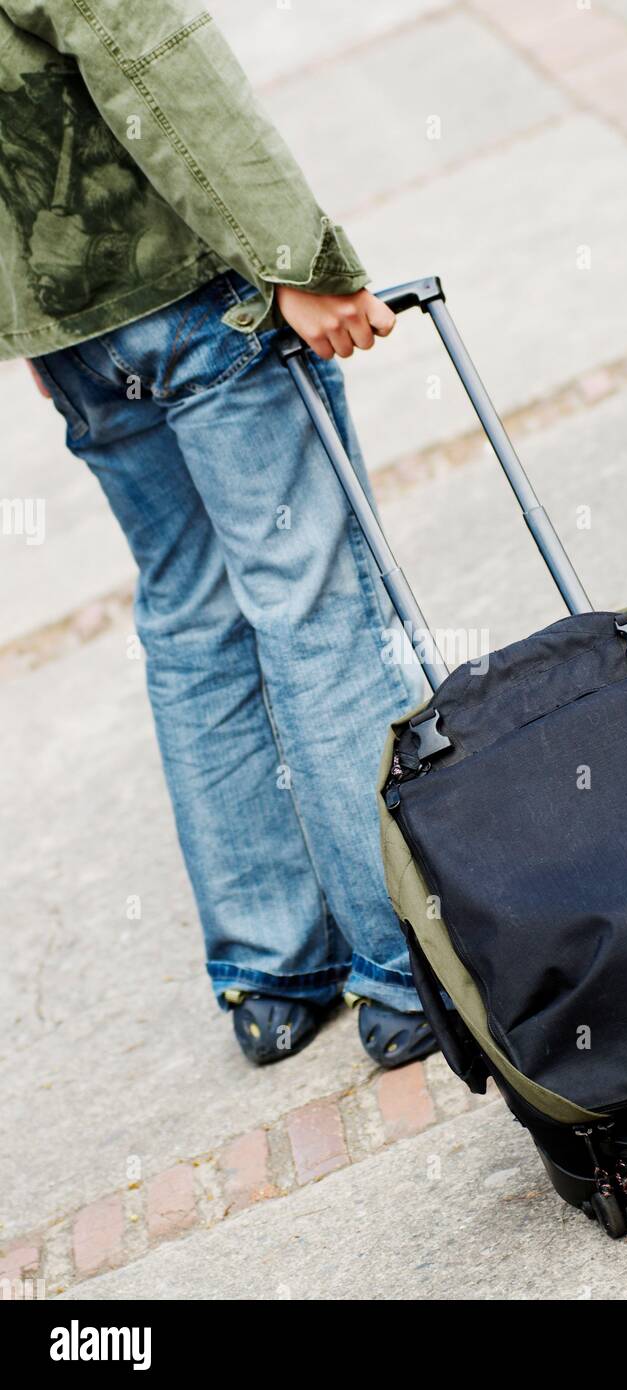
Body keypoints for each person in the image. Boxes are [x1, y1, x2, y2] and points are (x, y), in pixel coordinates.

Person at [1, 0, 437, 1069]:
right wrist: (303, 257)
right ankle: (402, 969)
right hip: (186, 290)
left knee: (193, 614)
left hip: (73, 325)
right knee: (312, 602)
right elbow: (148, 47)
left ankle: (272, 971)